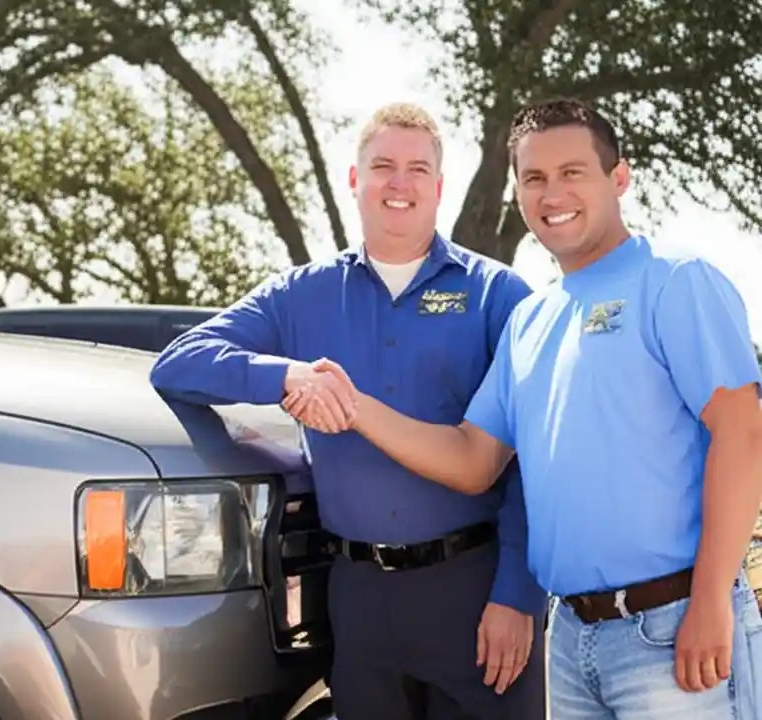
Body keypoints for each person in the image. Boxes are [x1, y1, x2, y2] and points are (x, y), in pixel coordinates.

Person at [287, 97, 762, 718]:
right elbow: (473, 459)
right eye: (534, 177)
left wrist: (708, 604)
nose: (552, 192)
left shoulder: (675, 281)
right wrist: (352, 406)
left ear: (618, 178)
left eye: (573, 172)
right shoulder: (532, 319)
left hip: (672, 629)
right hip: (571, 639)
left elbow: (744, 434)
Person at [149, 102, 547, 720]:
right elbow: (179, 361)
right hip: (357, 600)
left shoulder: (498, 294)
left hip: (474, 592)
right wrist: (285, 375)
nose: (399, 182)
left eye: (417, 169)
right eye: (382, 165)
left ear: (439, 188)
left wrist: (519, 596)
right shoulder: (300, 295)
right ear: (354, 180)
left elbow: (535, 460)